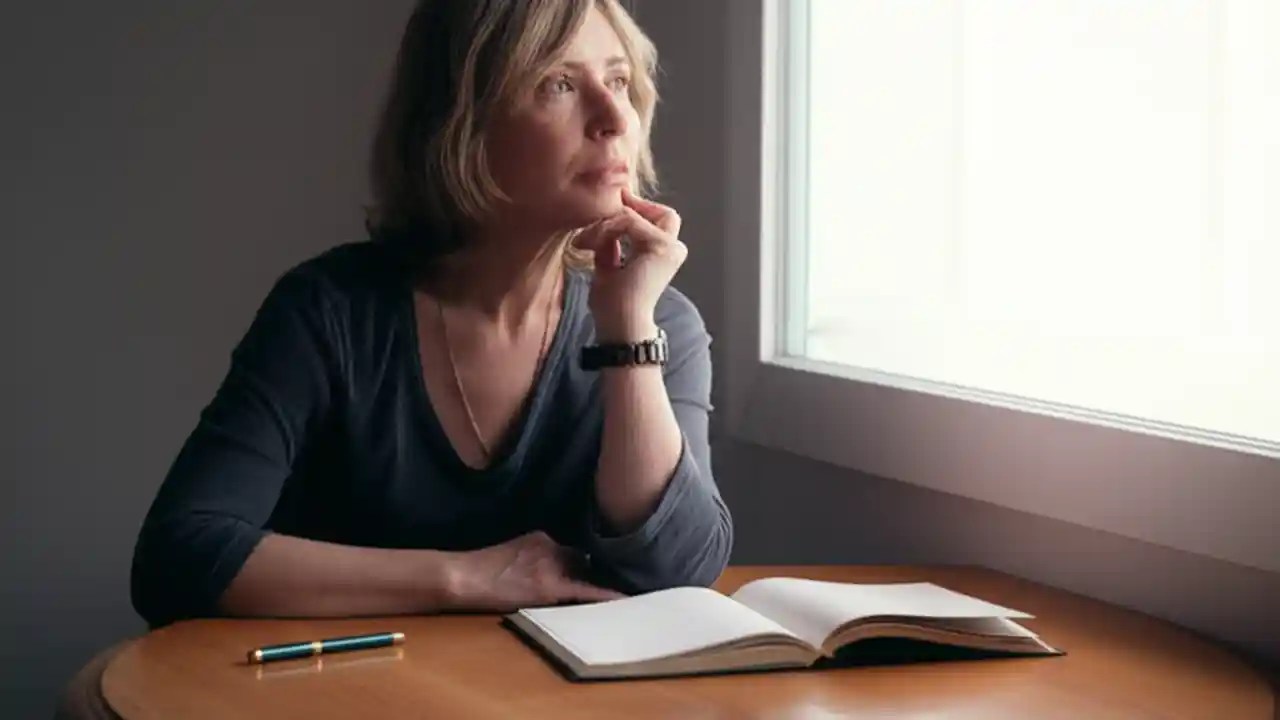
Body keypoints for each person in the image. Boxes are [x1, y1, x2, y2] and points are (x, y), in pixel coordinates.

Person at [128, 0, 733, 629]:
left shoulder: (657, 322)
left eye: (617, 80)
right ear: (462, 120)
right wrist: (467, 576)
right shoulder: (330, 313)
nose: (614, 119)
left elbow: (674, 576)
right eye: (558, 83)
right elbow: (178, 556)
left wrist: (628, 329)